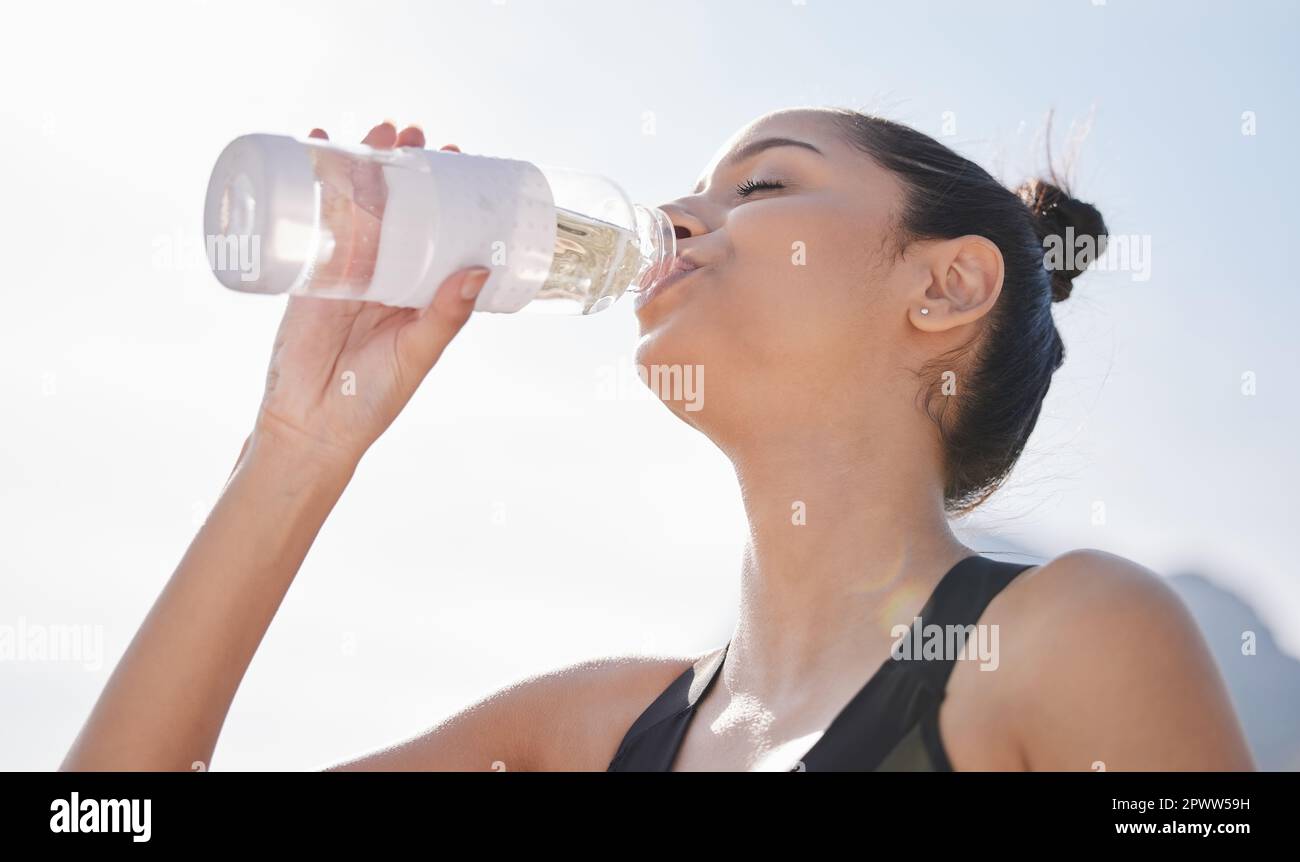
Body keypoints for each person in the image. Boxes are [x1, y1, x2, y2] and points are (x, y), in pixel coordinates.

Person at [61, 108, 1254, 771]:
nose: (680, 214)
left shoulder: (1074, 637)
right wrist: (296, 444)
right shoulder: (590, 732)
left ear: (943, 288)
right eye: (693, 186)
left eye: (765, 186)